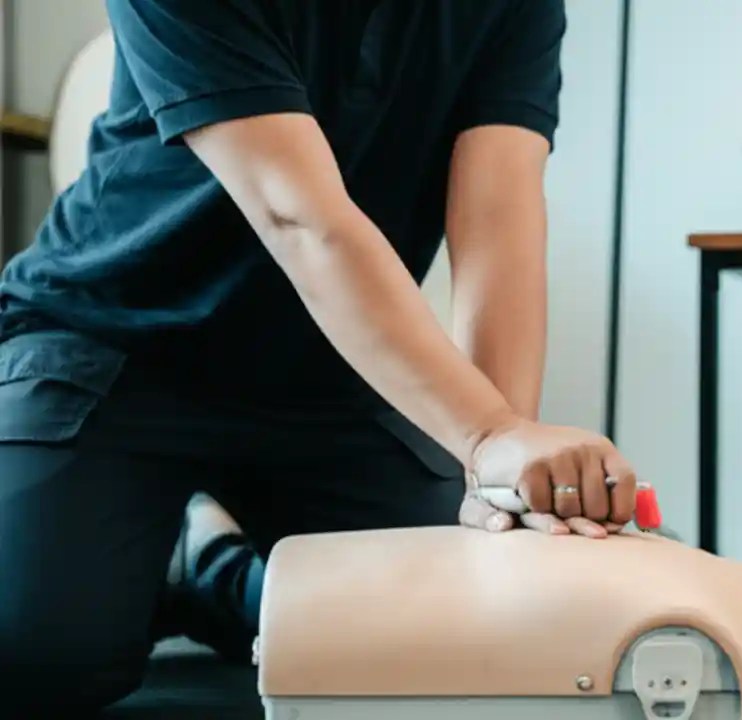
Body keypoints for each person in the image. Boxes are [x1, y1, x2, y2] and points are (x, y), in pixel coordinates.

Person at [0, 0, 638, 714]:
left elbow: (498, 213)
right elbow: (296, 213)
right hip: (111, 343)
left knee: (456, 647)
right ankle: (157, 554)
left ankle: (215, 570)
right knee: (33, 657)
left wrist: (499, 474)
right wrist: (485, 432)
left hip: (334, 374)